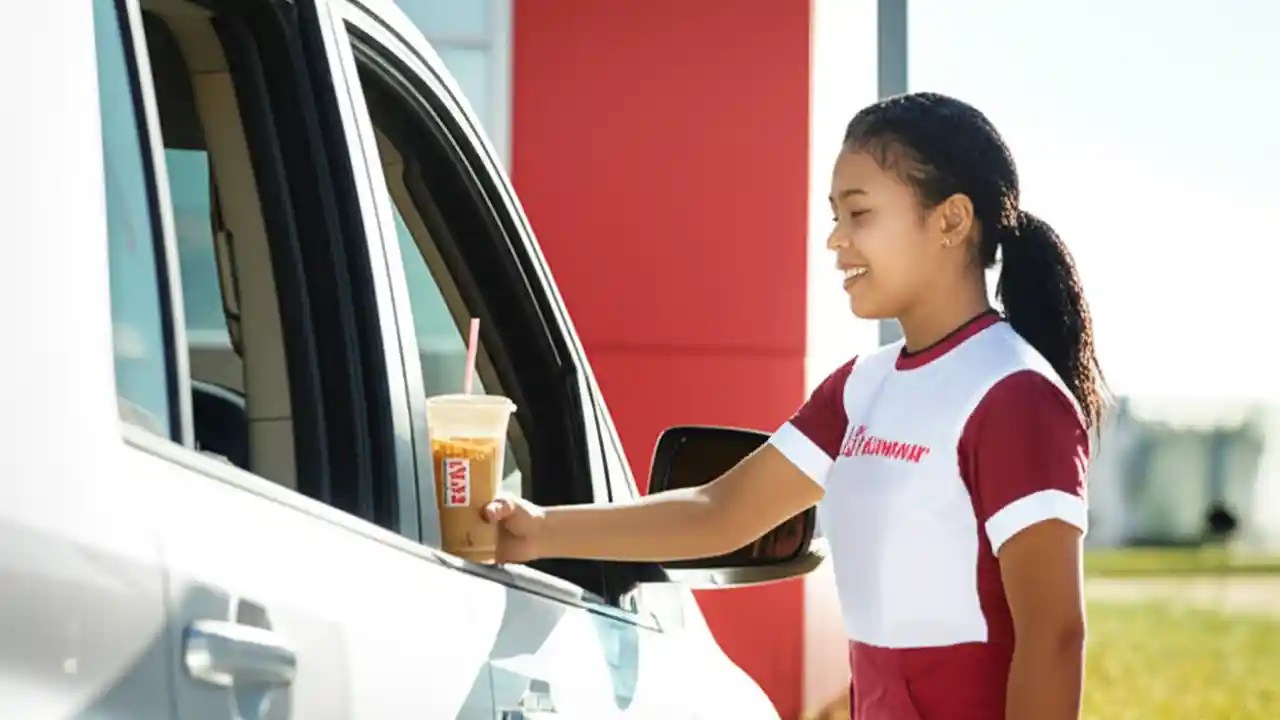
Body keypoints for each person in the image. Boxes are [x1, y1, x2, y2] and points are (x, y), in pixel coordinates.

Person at [483, 91, 1104, 720]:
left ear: (950, 220)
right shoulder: (862, 385)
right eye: (834, 215)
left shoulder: (1015, 396)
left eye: (859, 214)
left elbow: (1054, 638)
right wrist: (537, 530)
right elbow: (718, 512)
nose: (836, 241)